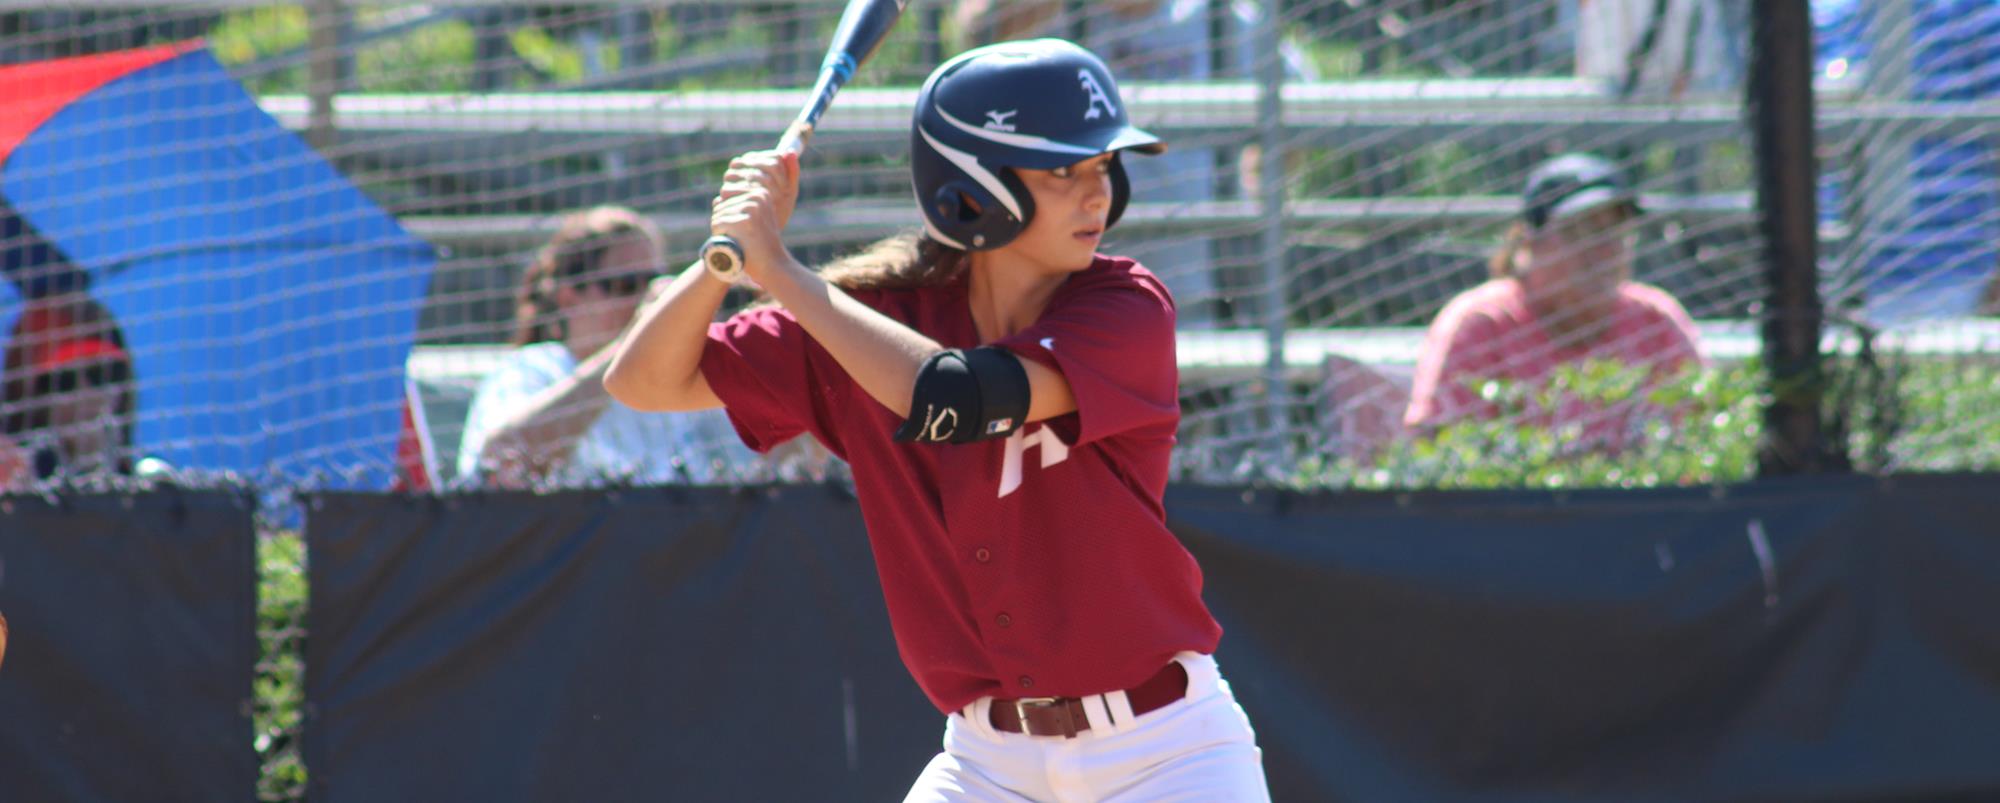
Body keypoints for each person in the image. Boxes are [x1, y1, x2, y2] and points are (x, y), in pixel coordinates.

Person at [606, 40, 1269, 801]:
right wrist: (728, 252)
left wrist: (780, 271)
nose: (1097, 193)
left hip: (1166, 752)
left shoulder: (1125, 305)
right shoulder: (868, 321)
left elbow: (952, 398)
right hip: (990, 762)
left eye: (1102, 168)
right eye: (1063, 171)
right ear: (972, 190)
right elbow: (642, 381)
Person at [1405, 152, 1704, 449]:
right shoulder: (1481, 324)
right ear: (1529, 243)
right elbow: (1435, 449)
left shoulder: (1655, 320)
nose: (1602, 249)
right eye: (1578, 231)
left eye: (1615, 230)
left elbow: (1704, 434)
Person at [457, 206, 756, 486]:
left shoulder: (677, 380)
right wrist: (636, 340)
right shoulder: (534, 368)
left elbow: (770, 459)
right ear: (568, 298)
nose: (646, 297)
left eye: (653, 281)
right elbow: (499, 462)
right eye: (626, 286)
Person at [1, 293, 137, 485]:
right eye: (64, 381)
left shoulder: (156, 485)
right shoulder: (12, 490)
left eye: (100, 375)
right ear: (31, 399)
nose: (85, 393)